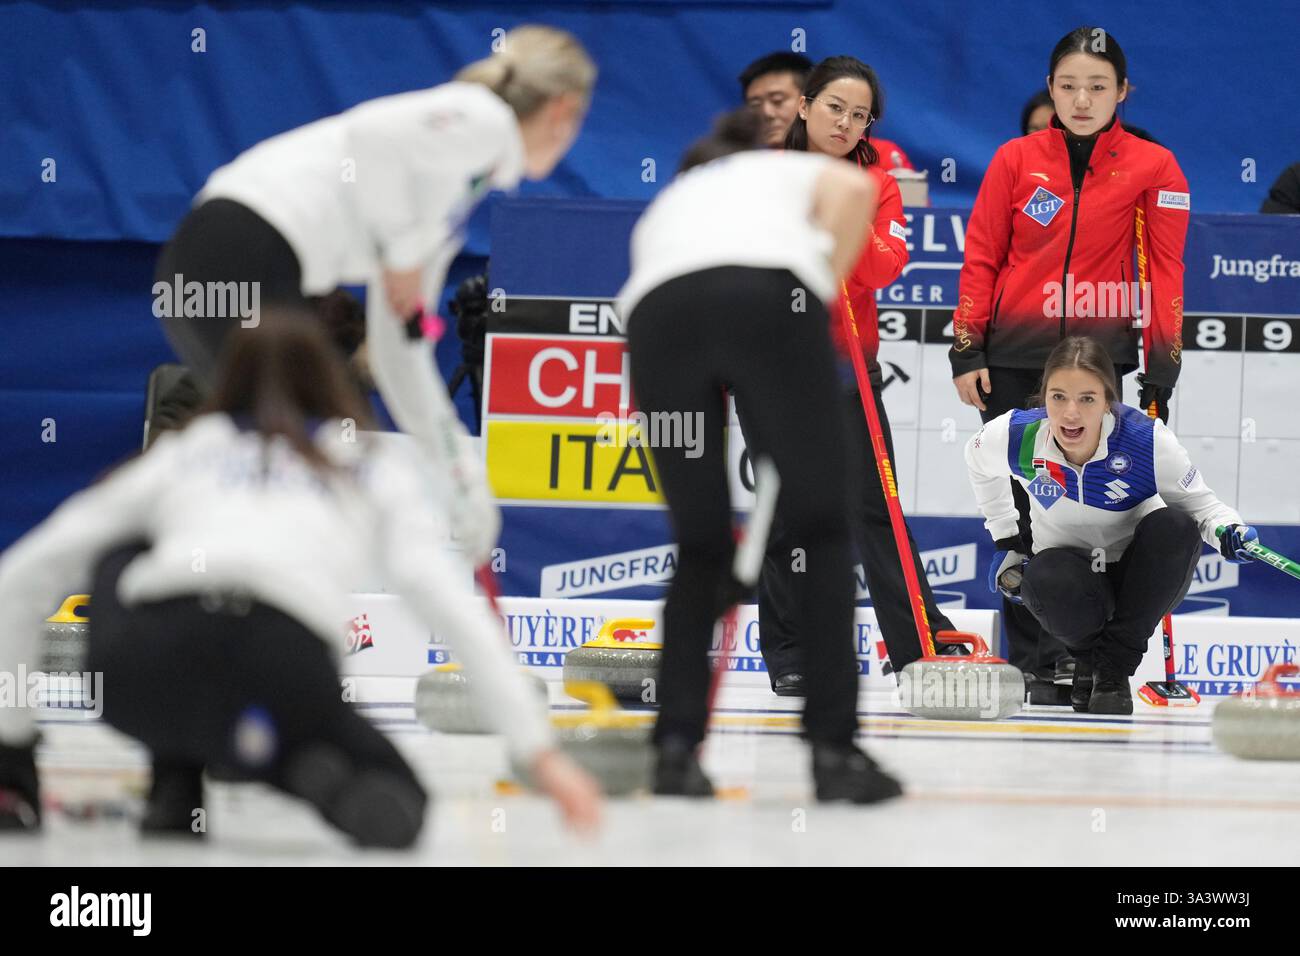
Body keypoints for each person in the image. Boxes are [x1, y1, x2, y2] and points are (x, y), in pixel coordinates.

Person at [0, 310, 602, 842]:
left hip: (135, 670)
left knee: (123, 544)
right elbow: (446, 600)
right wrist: (538, 751)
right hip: (280, 668)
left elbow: (23, 574)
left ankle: (177, 789)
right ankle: (305, 771)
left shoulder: (184, 452)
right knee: (398, 799)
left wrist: (12, 752)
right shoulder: (366, 464)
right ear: (333, 376)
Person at [154, 25, 596, 565]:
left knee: (274, 456)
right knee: (294, 456)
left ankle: (203, 594)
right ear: (563, 111)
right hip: (237, 247)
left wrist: (462, 477)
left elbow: (399, 357)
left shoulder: (447, 207)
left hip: (211, 264)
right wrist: (403, 255)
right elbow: (371, 136)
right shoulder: (484, 119)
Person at [618, 109, 902, 803]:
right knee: (822, 527)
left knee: (702, 544)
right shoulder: (780, 166)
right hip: (769, 299)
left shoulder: (667, 204)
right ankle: (833, 751)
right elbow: (857, 193)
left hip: (658, 319)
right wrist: (822, 294)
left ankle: (675, 749)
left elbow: (665, 287)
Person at [951, 27, 1191, 698]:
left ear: (1122, 91)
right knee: (1027, 516)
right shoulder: (1013, 160)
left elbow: (1166, 272)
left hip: (1098, 364)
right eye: (1067, 85)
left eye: (1097, 86)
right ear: (1049, 88)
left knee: (1096, 511)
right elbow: (983, 253)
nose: (1081, 99)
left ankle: (1086, 657)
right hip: (1016, 356)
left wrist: (1161, 368)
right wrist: (968, 347)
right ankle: (1034, 662)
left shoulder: (1155, 167)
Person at [740, 56, 957, 696]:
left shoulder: (876, 180)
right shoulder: (761, 175)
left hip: (847, 360)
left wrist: (838, 222)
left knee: (875, 502)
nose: (846, 122)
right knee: (782, 505)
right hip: (773, 356)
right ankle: (790, 651)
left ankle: (916, 644)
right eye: (835, 107)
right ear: (805, 105)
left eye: (860, 115)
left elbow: (884, 265)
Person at [965, 336, 1257, 714]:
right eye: (1058, 397)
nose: (1070, 413)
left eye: (1086, 399)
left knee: (1176, 527)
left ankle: (1111, 670)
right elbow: (977, 463)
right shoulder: (1016, 436)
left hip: (1136, 578)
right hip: (1069, 579)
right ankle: (1094, 662)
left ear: (1107, 400)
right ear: (1044, 397)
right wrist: (1006, 538)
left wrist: (1227, 531)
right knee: (1044, 575)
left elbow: (1204, 508)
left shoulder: (1146, 440)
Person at [740, 51, 913, 169]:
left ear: (805, 102)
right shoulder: (752, 166)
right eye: (755, 104)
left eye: (778, 100)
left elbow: (915, 217)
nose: (767, 113)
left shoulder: (884, 157)